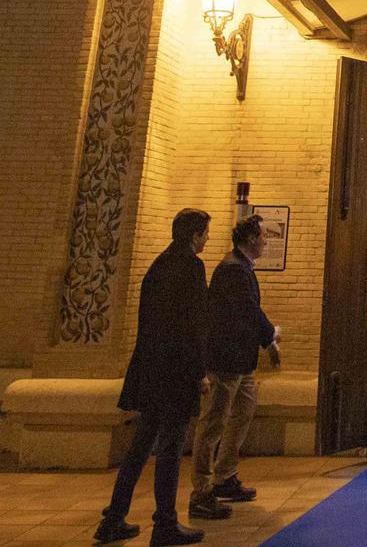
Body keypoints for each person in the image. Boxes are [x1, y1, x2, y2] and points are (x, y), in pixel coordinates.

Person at [96, 209, 212, 547]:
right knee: (171, 450)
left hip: (150, 371)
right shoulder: (191, 268)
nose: (206, 239)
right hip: (175, 375)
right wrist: (198, 373)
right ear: (194, 236)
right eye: (204, 233)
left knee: (139, 448)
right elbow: (192, 327)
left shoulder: (159, 265)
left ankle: (114, 517)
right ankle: (165, 523)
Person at [188, 214, 279, 521]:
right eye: (264, 235)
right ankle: (201, 490)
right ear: (251, 238)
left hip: (241, 360)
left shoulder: (240, 267)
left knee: (242, 413)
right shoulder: (232, 270)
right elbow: (248, 310)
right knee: (213, 421)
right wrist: (270, 336)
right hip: (226, 360)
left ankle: (225, 476)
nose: (267, 241)